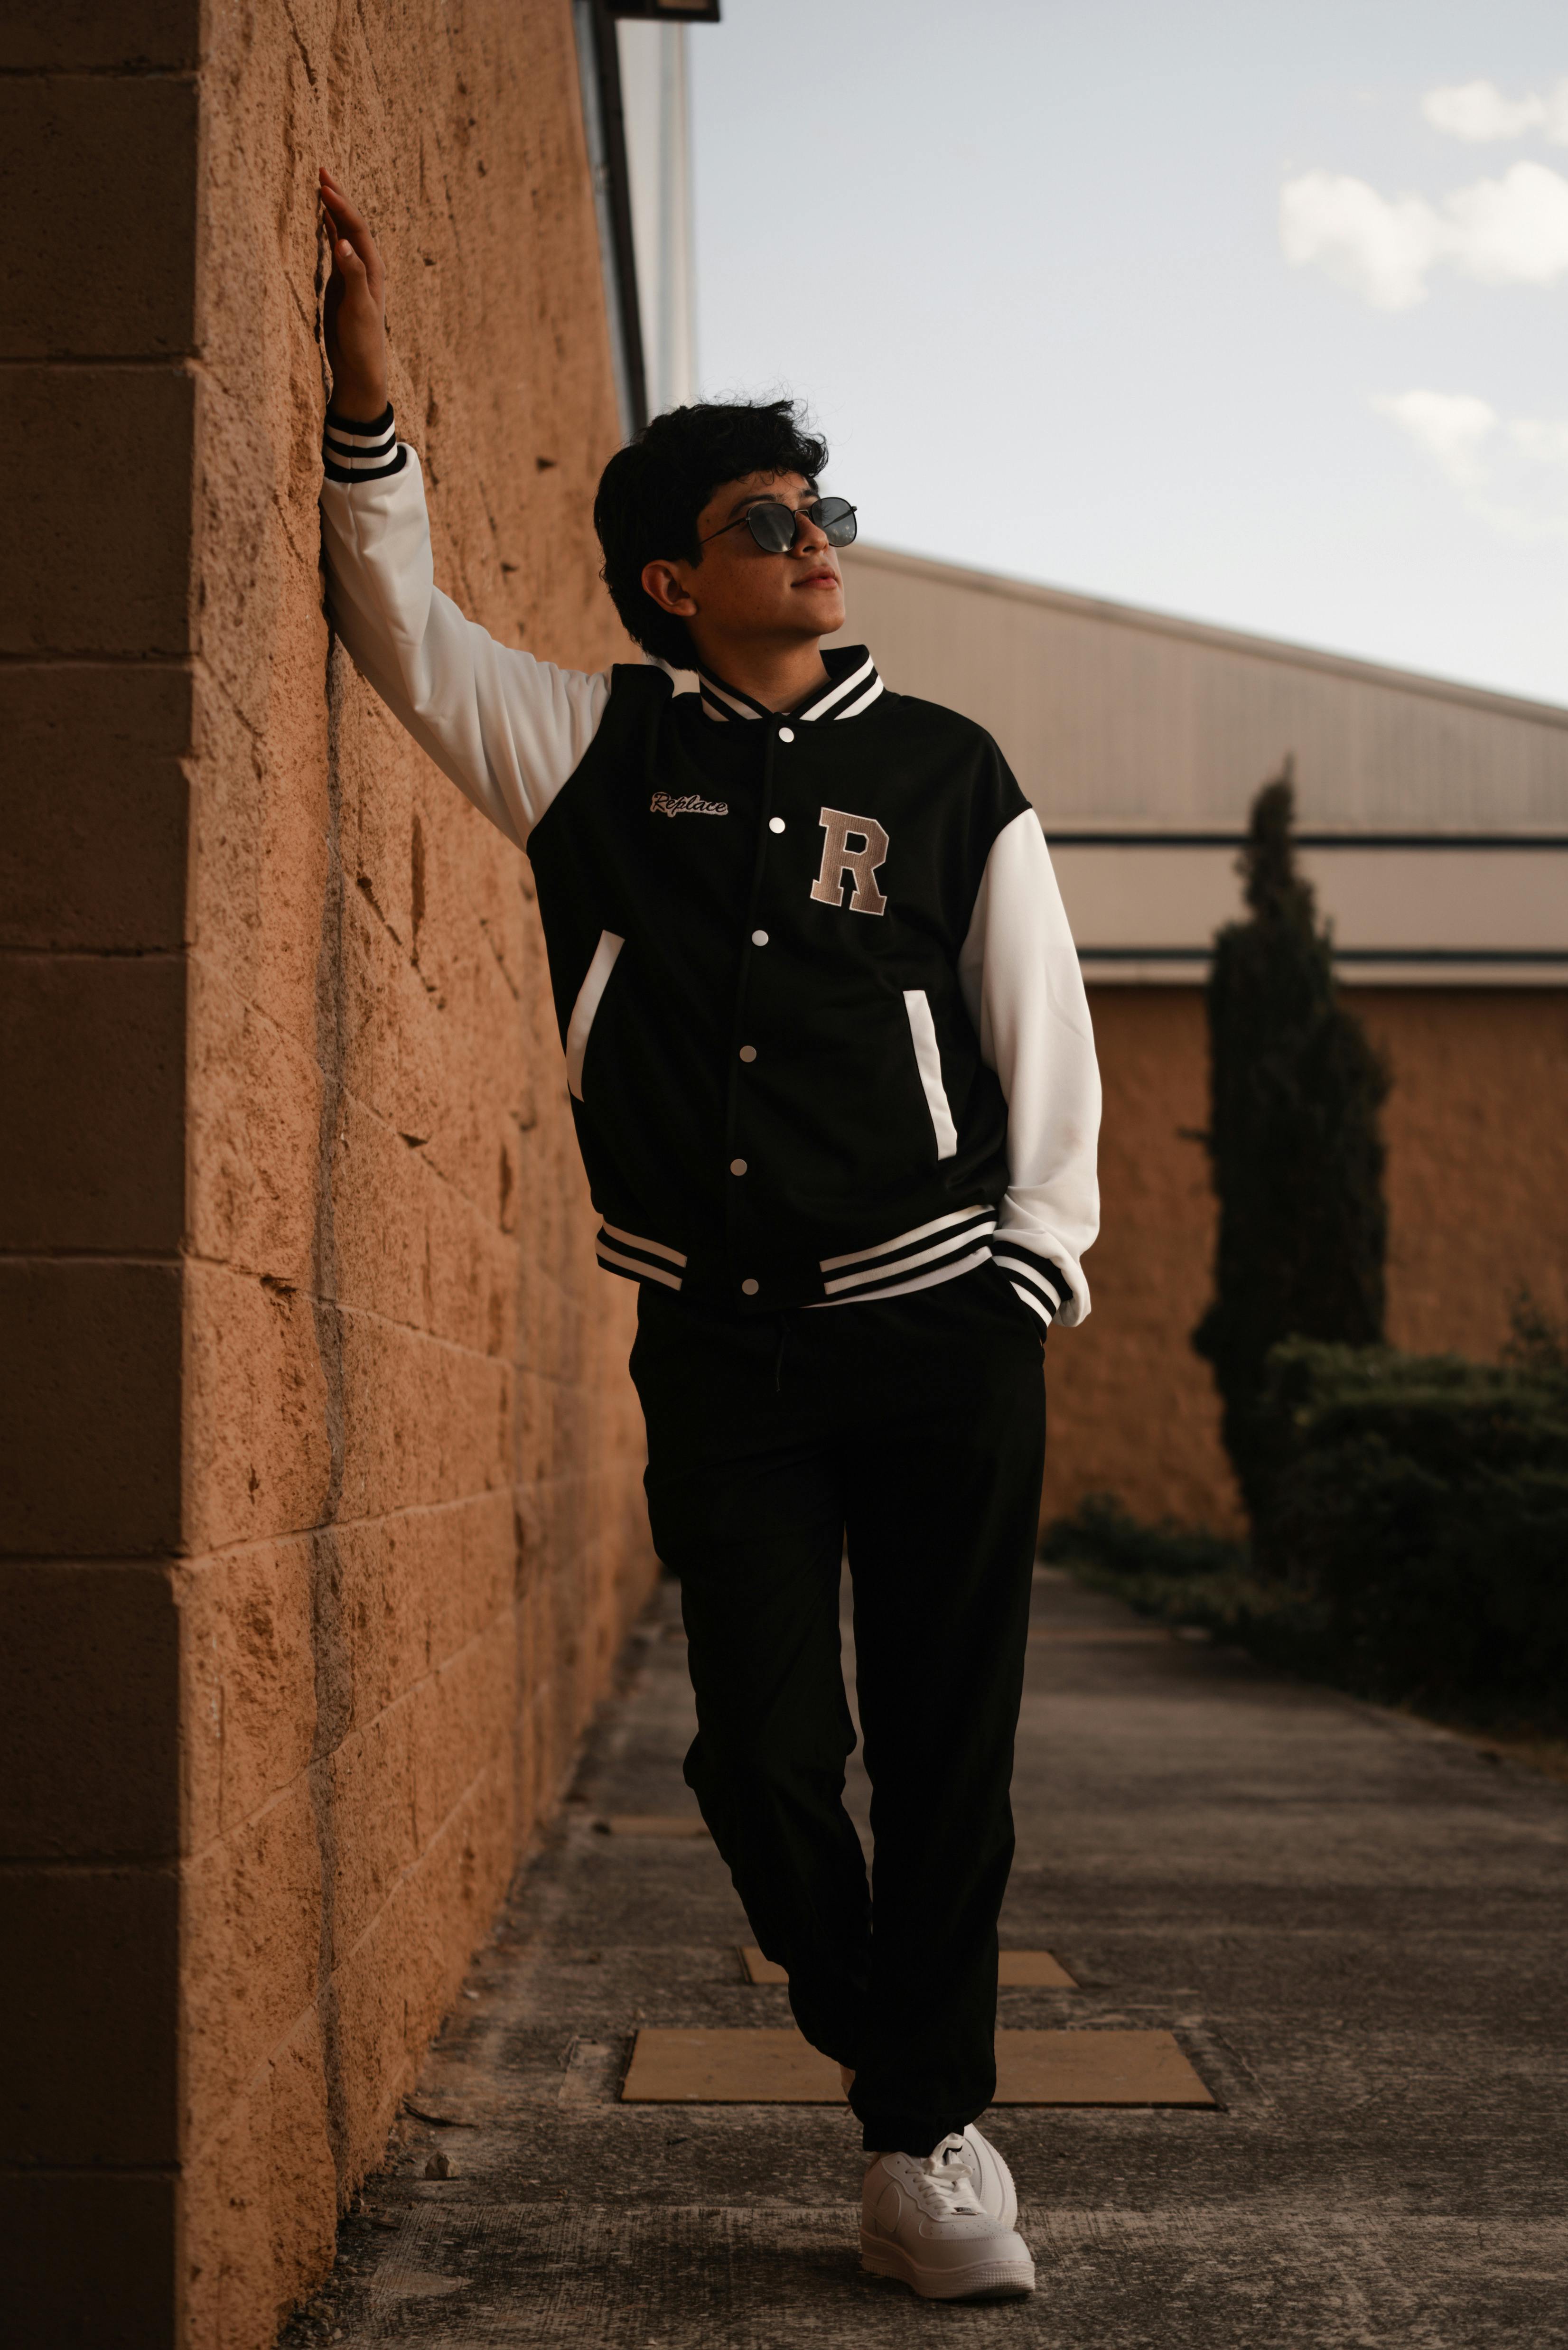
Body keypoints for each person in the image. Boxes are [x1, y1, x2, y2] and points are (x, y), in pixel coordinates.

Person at [316, 165, 1100, 2304]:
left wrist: (1040, 1253)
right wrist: (365, 402)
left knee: (949, 1740)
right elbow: (399, 626)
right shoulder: (589, 750)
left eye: (823, 508)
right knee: (764, 1748)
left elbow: (1041, 1021)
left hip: (945, 1325)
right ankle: (905, 2059)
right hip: (724, 1350)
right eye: (769, 520)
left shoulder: (944, 769)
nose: (817, 539)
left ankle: (928, 2149)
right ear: (675, 581)